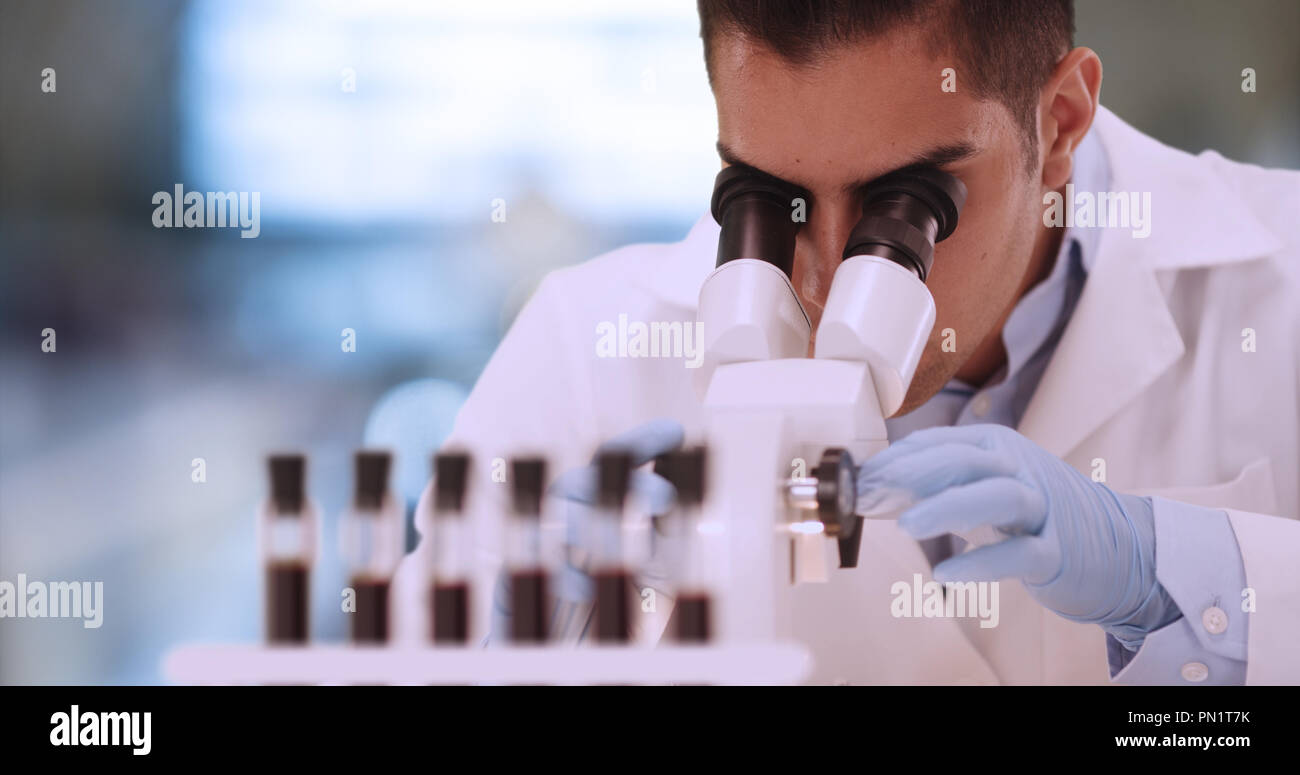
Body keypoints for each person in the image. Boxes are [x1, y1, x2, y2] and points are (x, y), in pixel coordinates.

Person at [392, 0, 1299, 684]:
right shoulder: (586, 348)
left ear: (1059, 121)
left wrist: (1186, 575)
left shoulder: (1282, 282)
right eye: (768, 196)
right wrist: (512, 656)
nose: (827, 278)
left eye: (909, 204)